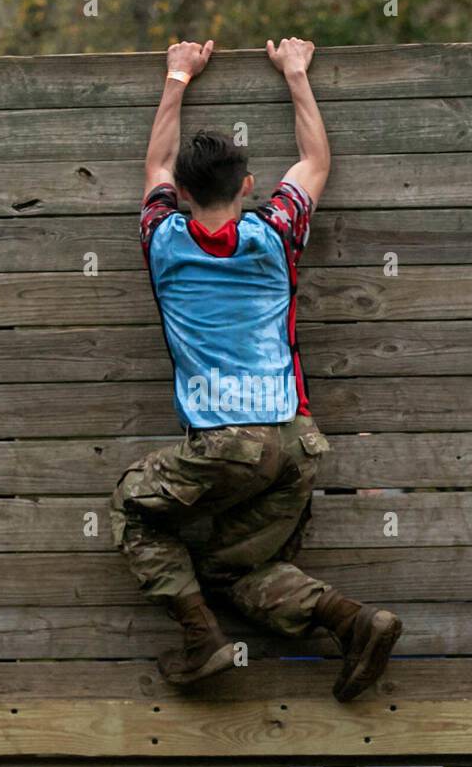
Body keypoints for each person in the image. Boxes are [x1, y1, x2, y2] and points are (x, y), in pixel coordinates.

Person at [109, 37, 403, 702]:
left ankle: (200, 640)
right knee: (231, 568)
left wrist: (177, 76)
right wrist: (296, 73)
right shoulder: (277, 232)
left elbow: (155, 158)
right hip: (296, 441)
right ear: (247, 186)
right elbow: (315, 160)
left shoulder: (164, 238)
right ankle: (353, 622)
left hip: (226, 444)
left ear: (181, 193)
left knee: (132, 508)